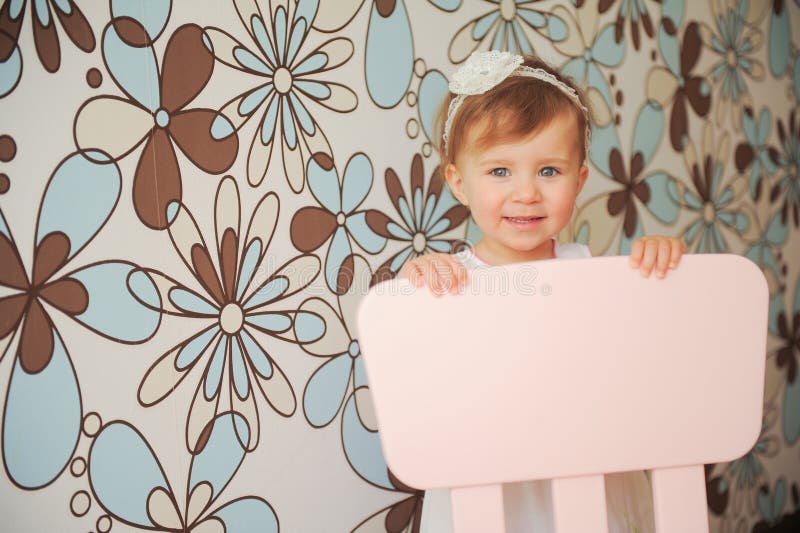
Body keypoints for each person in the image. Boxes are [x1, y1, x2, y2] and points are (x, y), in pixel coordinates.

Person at [399, 50, 686, 532]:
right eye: (499, 171)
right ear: (459, 183)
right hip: (495, 486)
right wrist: (417, 285)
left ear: (579, 180)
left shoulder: (592, 274)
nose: (527, 192)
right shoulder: (450, 282)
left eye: (548, 171)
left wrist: (659, 267)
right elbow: (419, 372)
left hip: (587, 471)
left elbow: (641, 361)